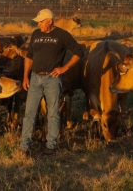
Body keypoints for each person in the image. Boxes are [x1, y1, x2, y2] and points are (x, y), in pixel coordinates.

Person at [20, 8, 83, 155]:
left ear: (50, 21)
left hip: (52, 80)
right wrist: (25, 76)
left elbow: (79, 52)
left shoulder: (62, 35)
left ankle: (51, 146)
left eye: (41, 22)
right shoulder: (36, 34)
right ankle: (24, 146)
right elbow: (29, 57)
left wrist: (64, 68)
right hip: (35, 78)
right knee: (29, 113)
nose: (39, 24)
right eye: (38, 22)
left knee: (53, 113)